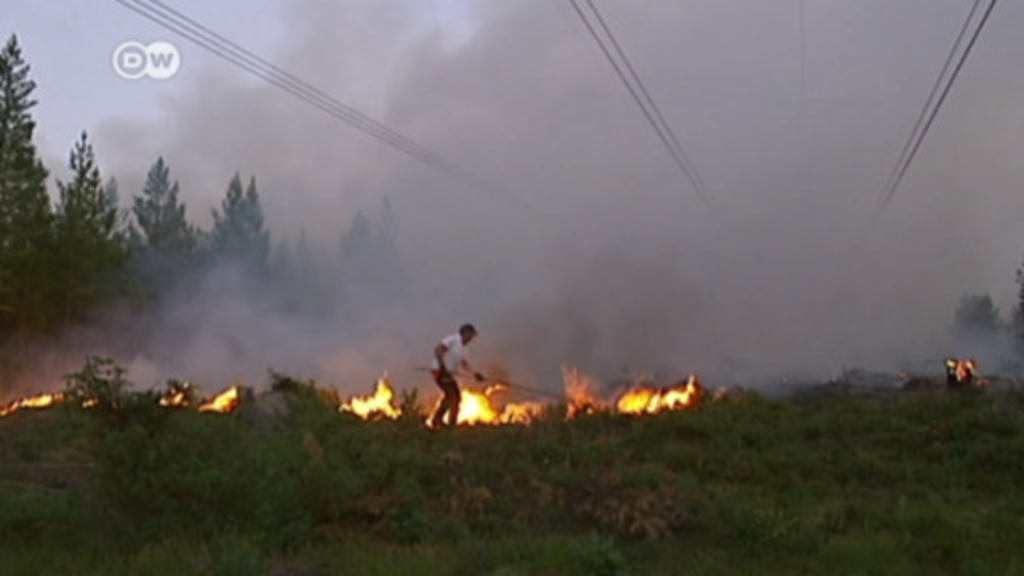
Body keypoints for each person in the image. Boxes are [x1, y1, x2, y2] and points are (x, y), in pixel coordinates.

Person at [429, 323, 486, 428]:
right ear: (465, 333)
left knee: (453, 396)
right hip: (439, 372)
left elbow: (464, 364)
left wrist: (475, 374)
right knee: (453, 397)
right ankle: (451, 424)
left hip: (449, 375)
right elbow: (438, 350)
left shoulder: (464, 349)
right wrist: (442, 367)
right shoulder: (453, 340)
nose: (472, 338)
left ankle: (437, 420)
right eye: (471, 335)